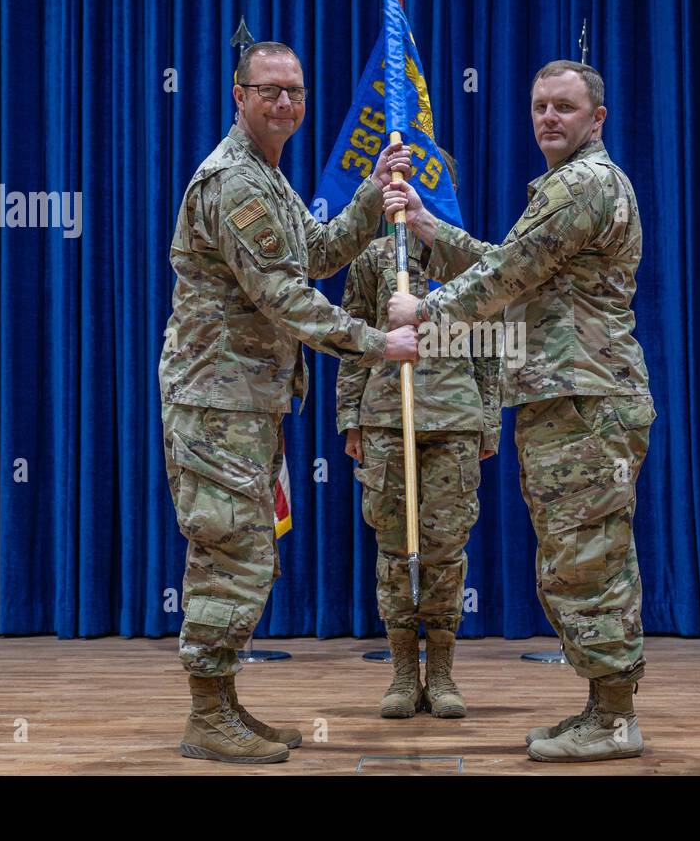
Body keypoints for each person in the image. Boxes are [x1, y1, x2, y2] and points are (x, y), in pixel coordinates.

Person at [385, 60, 655, 762]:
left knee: (590, 562)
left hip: (584, 399)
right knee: (575, 561)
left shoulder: (584, 185)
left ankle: (616, 718)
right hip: (566, 396)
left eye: (564, 107)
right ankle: (602, 707)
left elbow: (506, 276)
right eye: (539, 106)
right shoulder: (569, 187)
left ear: (598, 118)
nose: (548, 118)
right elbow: (513, 262)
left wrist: (426, 308)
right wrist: (427, 226)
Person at [159, 40, 419, 763]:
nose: (284, 103)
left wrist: (372, 190)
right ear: (238, 97)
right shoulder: (234, 182)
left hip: (245, 400)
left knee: (243, 554)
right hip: (218, 402)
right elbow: (286, 298)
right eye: (268, 90)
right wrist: (378, 344)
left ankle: (224, 705)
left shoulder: (269, 178)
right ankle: (206, 716)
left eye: (295, 92)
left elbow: (322, 251)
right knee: (227, 556)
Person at [337, 214, 500, 719]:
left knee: (447, 547)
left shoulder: (469, 262)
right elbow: (352, 336)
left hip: (454, 417)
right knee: (393, 546)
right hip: (387, 416)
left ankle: (444, 672)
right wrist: (351, 418)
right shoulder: (374, 258)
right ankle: (405, 673)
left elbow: (491, 347)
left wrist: (488, 424)